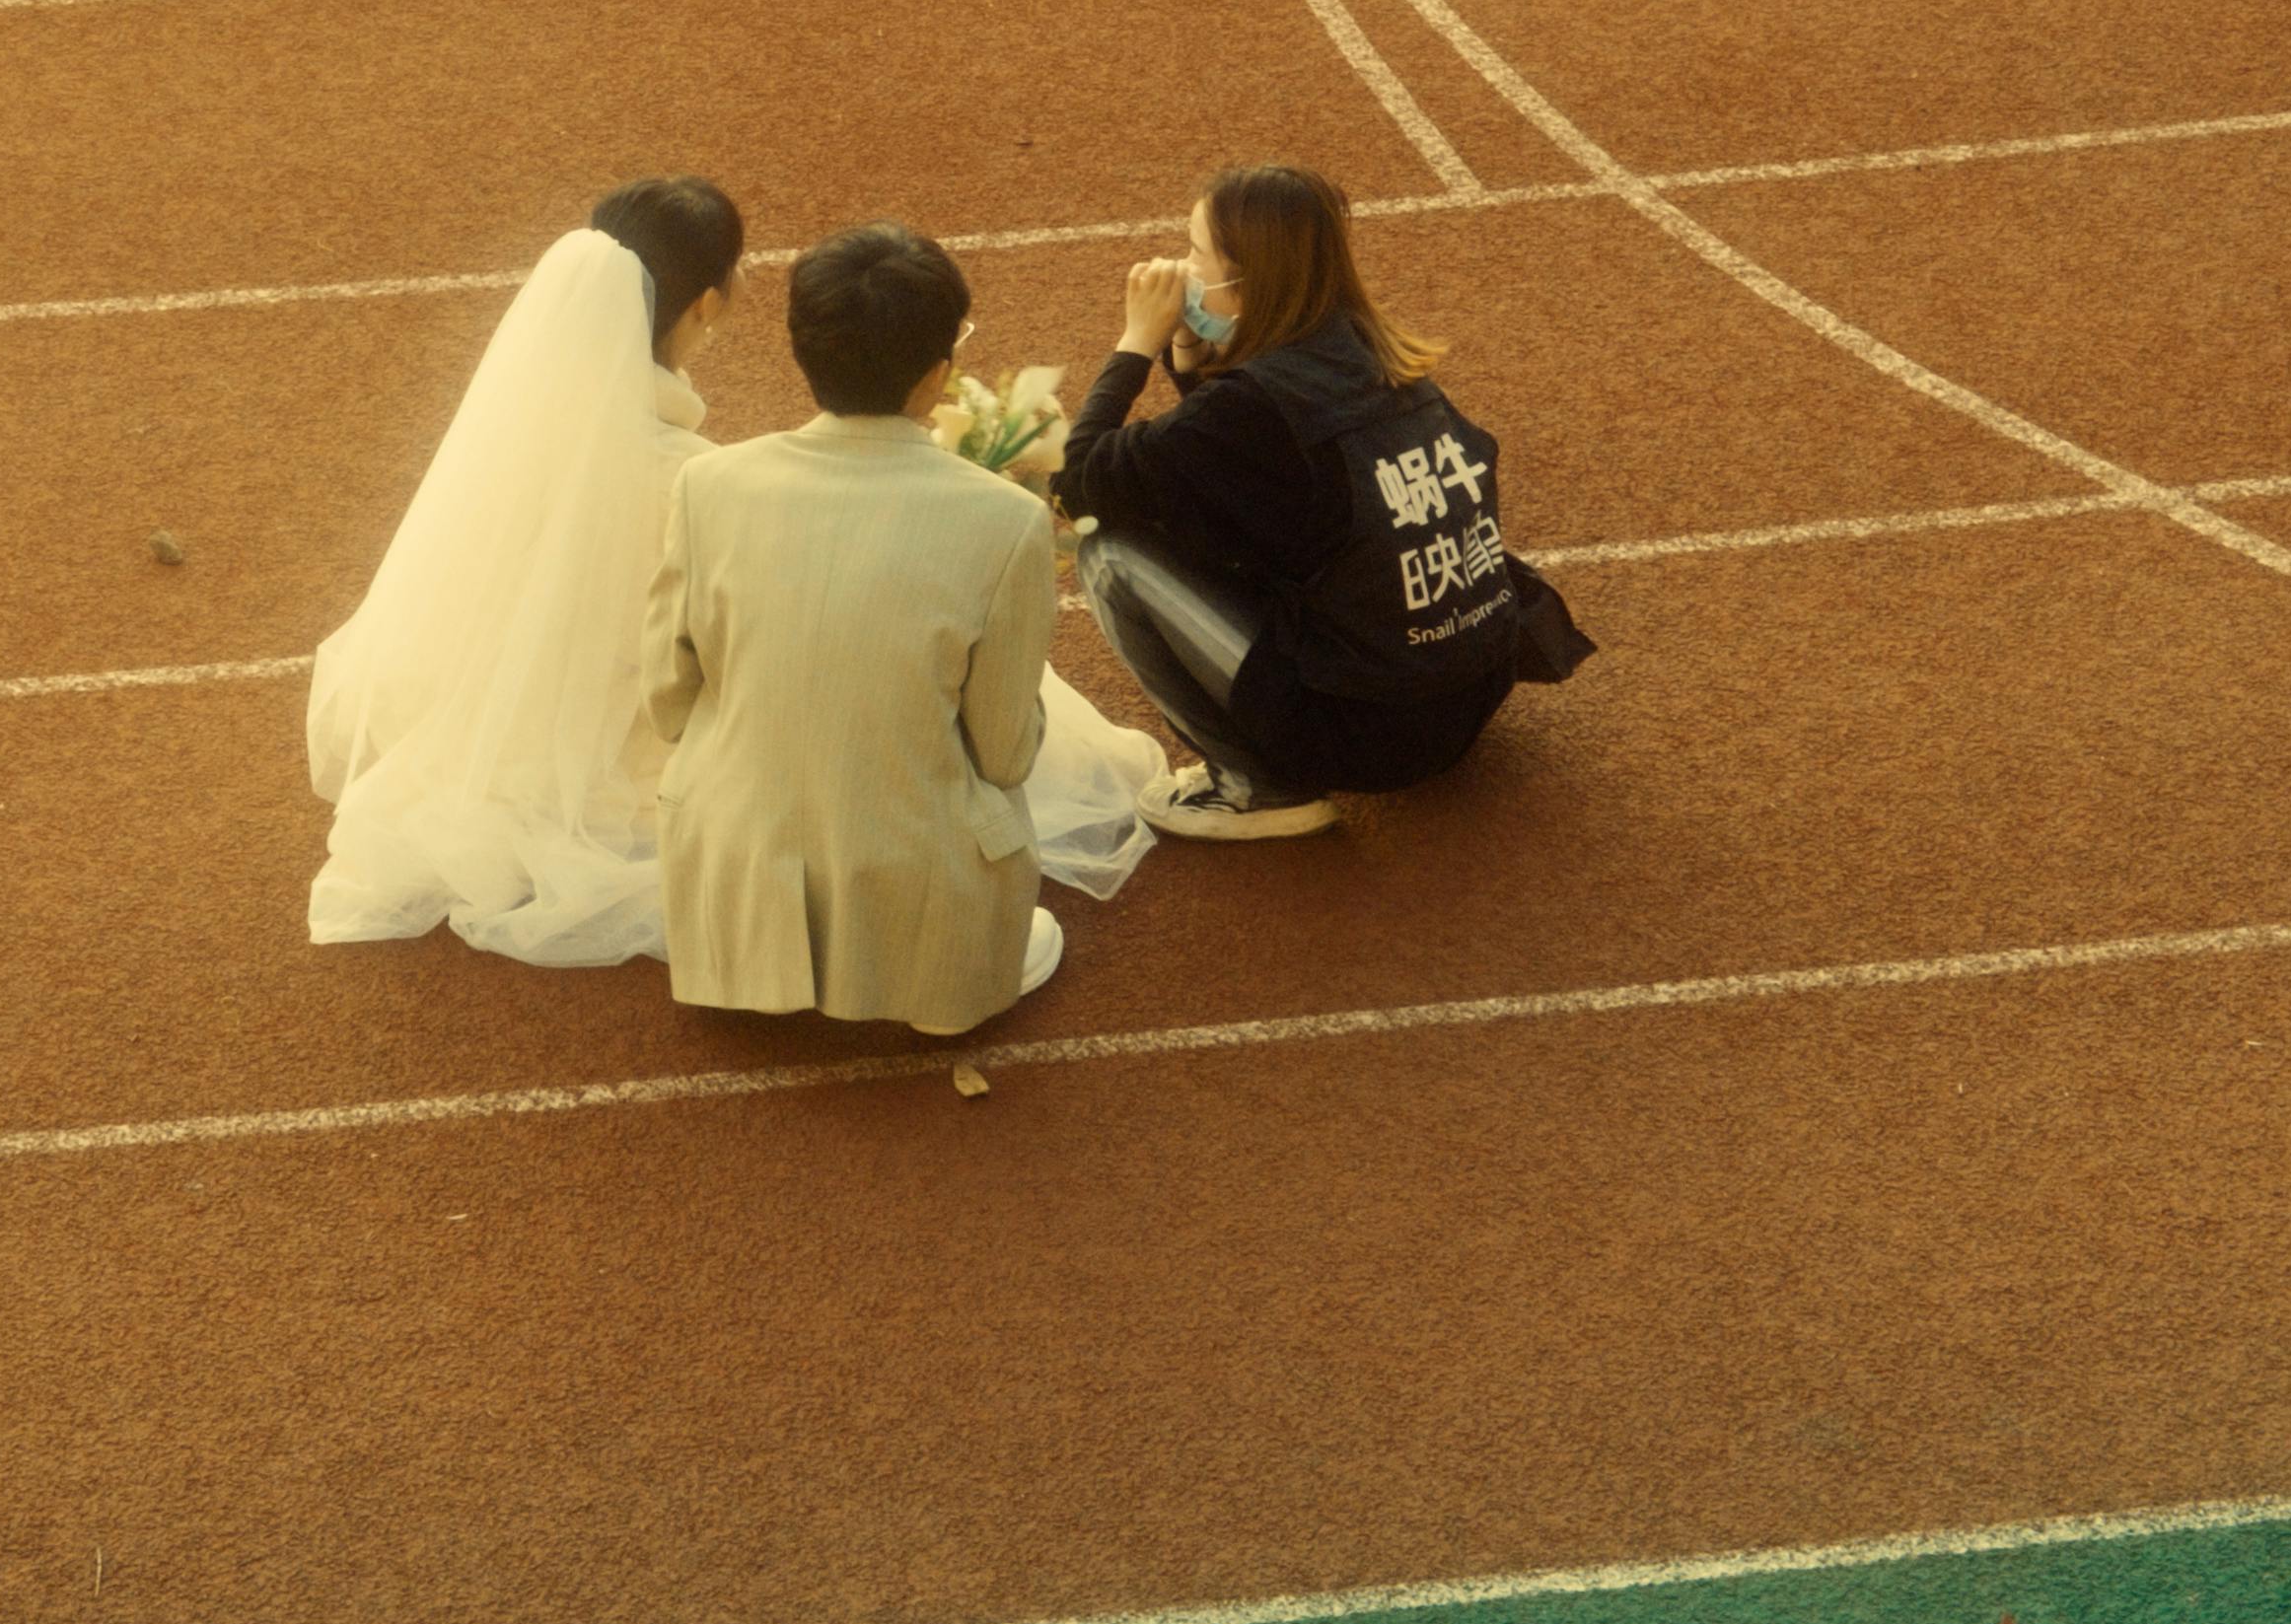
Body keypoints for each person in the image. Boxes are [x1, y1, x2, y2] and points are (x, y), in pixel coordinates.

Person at [303, 180, 1158, 968]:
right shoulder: (694, 479)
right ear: (706, 305)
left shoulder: (517, 428)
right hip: (655, 759)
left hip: (527, 716)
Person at [1063, 164, 1590, 839]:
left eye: (1196, 253)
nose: (1182, 269)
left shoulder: (1250, 410)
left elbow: (1079, 482)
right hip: (1473, 690)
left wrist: (1137, 339)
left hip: (1378, 735)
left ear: (1246, 279)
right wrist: (1191, 352)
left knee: (1108, 554)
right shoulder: (1372, 351)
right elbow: (1238, 466)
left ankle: (1256, 789)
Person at [647, 224, 1073, 1033]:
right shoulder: (1008, 520)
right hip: (918, 899)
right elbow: (1006, 752)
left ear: (804, 354)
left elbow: (669, 702)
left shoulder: (707, 485)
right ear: (939, 374)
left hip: (731, 880)